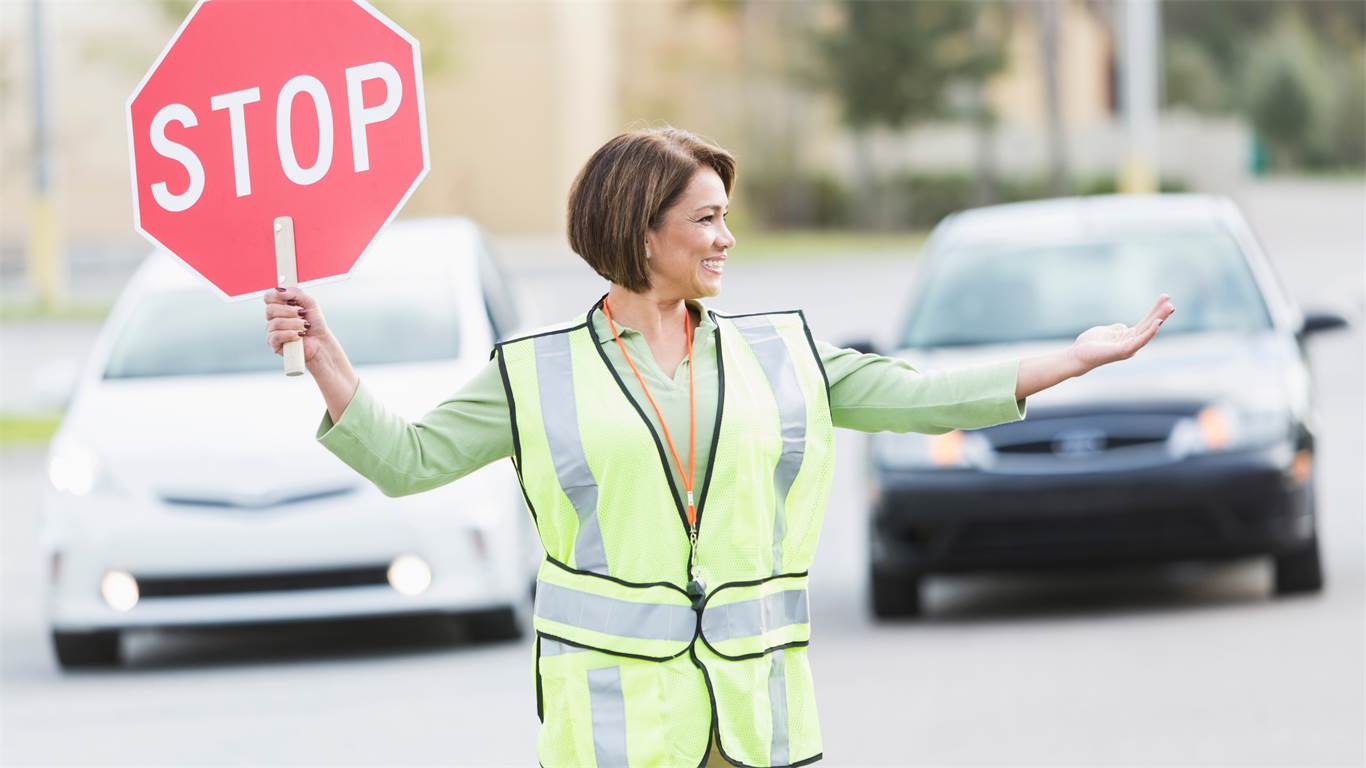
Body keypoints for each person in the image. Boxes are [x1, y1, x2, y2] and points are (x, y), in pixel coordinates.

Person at [263, 127, 1174, 767]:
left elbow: (919, 397)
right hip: (616, 733)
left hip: (750, 719)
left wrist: (1070, 360)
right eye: (705, 219)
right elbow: (407, 460)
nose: (726, 238)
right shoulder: (533, 373)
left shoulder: (780, 353)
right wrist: (327, 361)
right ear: (640, 230)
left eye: (725, 216)